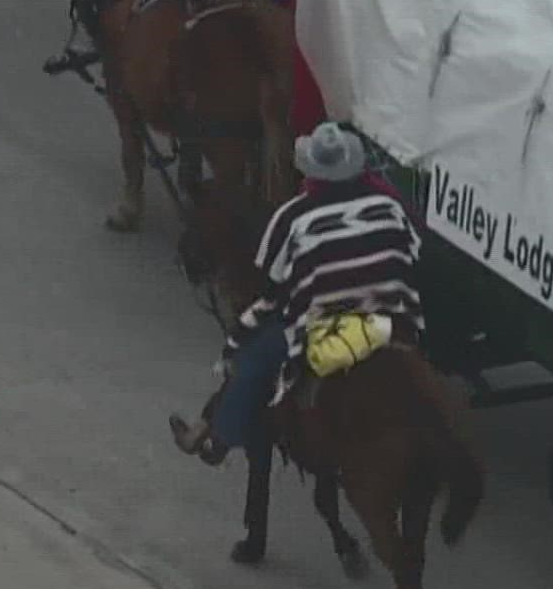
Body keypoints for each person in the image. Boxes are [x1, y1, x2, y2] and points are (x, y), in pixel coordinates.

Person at [168, 123, 424, 464]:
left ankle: (220, 438)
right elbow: (414, 250)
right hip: (393, 317)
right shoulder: (388, 203)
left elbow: (274, 288)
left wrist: (242, 333)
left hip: (328, 324)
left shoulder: (294, 215)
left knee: (253, 359)